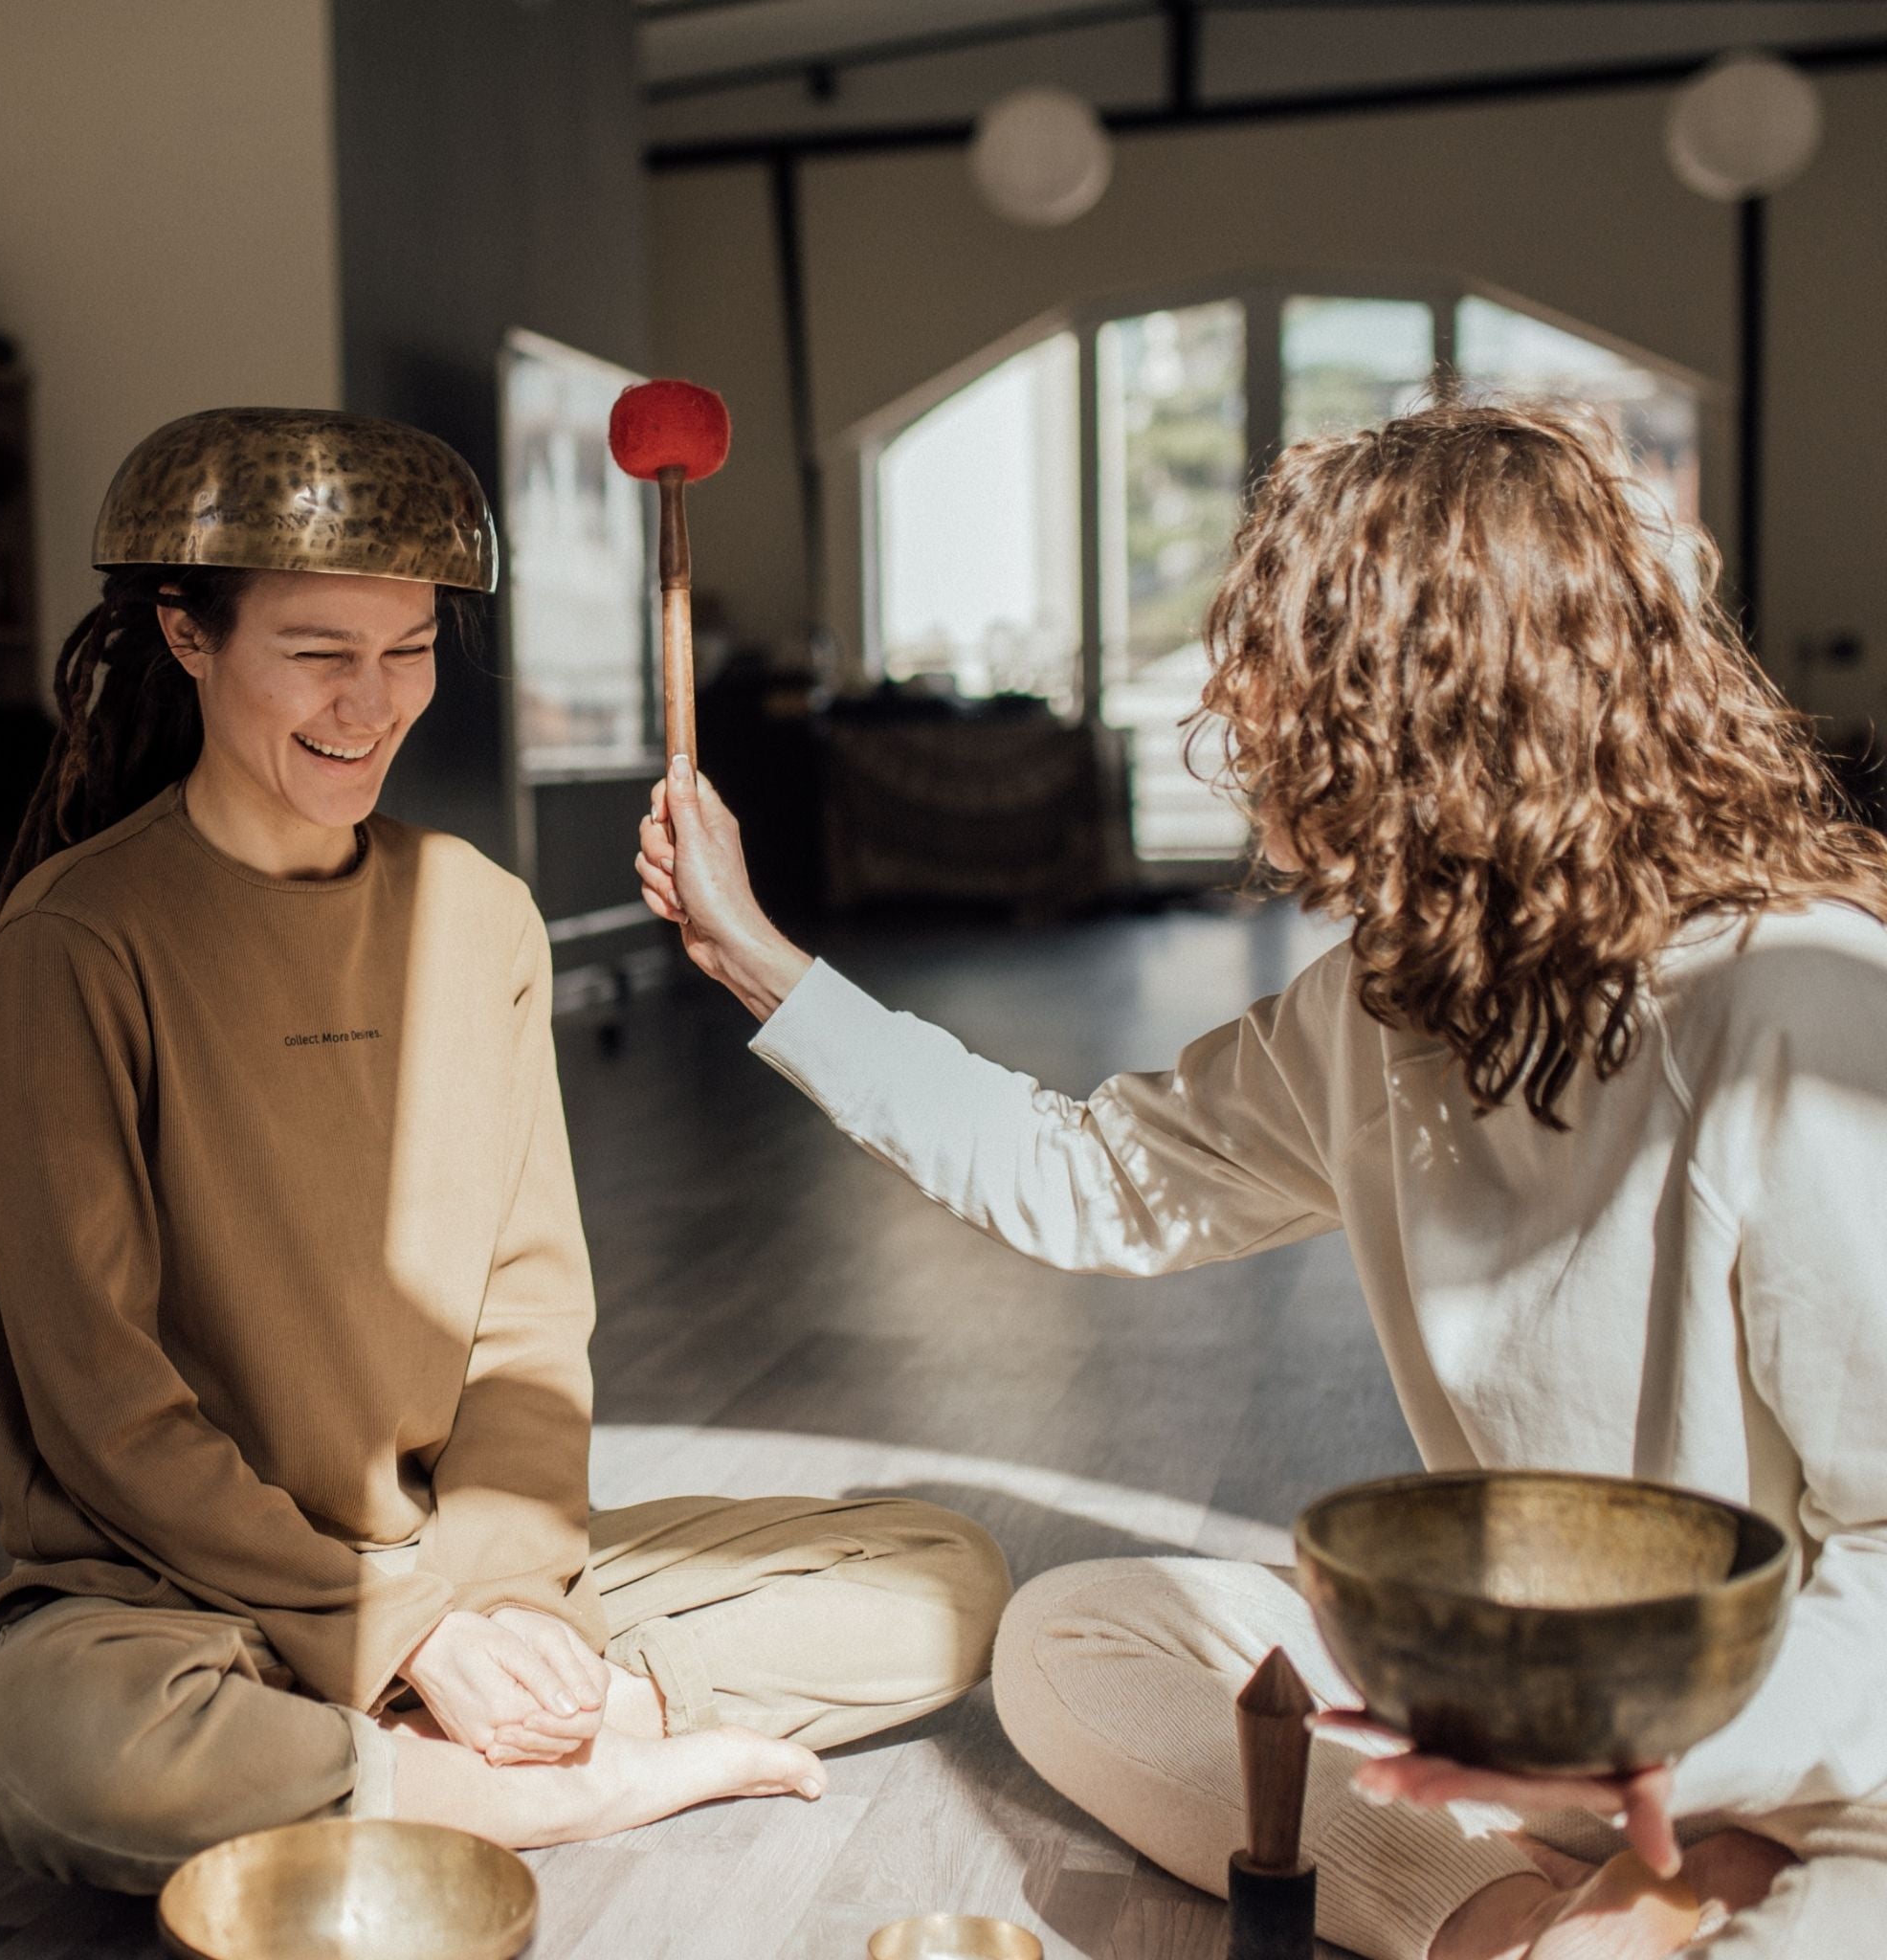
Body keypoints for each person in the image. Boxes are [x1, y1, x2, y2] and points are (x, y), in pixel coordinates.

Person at [636, 401, 1887, 1960]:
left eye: (1281, 665)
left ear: (1428, 697)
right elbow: (1087, 1177)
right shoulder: (1381, 1006)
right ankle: (1511, 1920)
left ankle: (1668, 1893)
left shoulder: (1804, 1004)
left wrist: (1664, 1769)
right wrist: (764, 964)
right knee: (1077, 1639)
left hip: (1824, 1766)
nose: (1239, 708)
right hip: (1535, 1738)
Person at [0, 408, 1009, 1895]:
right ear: (188, 637)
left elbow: (528, 1319)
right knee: (48, 1747)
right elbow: (102, 1408)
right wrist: (406, 1633)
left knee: (944, 1583)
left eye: (410, 649)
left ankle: (424, 1773)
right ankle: (565, 1781)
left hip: (462, 1564)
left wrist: (502, 1606)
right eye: (320, 651)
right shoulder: (75, 941)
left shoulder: (482, 915)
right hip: (183, 1599)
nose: (372, 703)